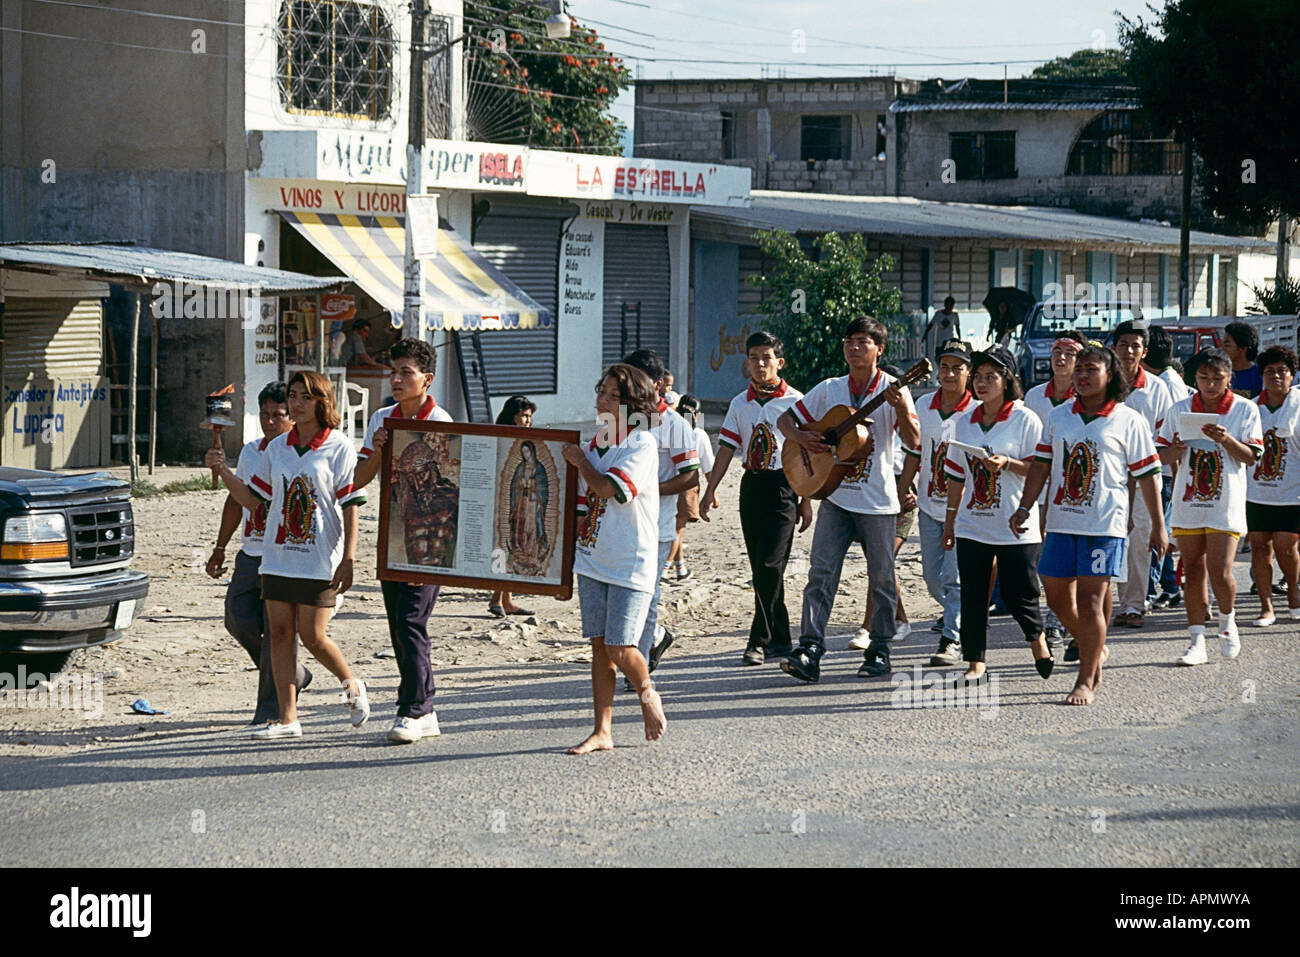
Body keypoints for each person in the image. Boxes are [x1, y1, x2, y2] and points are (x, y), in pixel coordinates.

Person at [206, 370, 370, 738]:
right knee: (279, 634)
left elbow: (351, 505)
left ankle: (352, 685)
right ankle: (287, 718)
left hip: (319, 557)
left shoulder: (340, 446)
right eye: (293, 395)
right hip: (277, 555)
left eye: (304, 397)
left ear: (322, 402)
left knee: (313, 636)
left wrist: (349, 558)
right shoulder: (276, 448)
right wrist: (223, 471)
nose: (296, 403)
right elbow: (253, 500)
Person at [1012, 346, 1166, 706]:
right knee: (1055, 595)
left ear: (1110, 375)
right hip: (1063, 521)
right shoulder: (1060, 415)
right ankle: (1093, 646)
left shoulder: (1129, 420)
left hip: (1105, 524)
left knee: (1091, 600)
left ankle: (1086, 679)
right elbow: (1041, 466)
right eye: (1078, 369)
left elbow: (1147, 476)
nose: (1081, 375)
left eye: (1090, 368)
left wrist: (1159, 526)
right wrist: (1025, 507)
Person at [777, 316, 920, 682]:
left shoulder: (894, 388)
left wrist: (901, 407)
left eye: (863, 342)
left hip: (878, 502)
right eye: (850, 341)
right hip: (836, 495)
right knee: (820, 574)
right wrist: (804, 439)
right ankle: (810, 648)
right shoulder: (830, 388)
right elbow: (785, 421)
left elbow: (915, 442)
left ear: (879, 349)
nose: (854, 348)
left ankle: (880, 648)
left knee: (882, 579)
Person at [350, 338, 453, 743]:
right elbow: (358, 479)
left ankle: (414, 709)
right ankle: (424, 705)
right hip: (393, 535)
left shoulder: (441, 423)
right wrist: (378, 451)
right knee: (399, 624)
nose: (396, 379)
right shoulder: (381, 419)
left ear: (427, 379)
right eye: (393, 371)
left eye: (405, 372)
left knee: (413, 619)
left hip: (432, 534)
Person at [561, 363, 667, 754]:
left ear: (633, 405)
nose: (602, 400)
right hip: (592, 558)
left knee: (621, 648)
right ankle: (602, 730)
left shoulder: (641, 444)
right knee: (599, 648)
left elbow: (610, 490)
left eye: (612, 396)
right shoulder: (595, 442)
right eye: (601, 392)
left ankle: (646, 693)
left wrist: (580, 462)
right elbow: (577, 505)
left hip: (630, 560)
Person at [942, 346, 1051, 684]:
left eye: (991, 376)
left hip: (1015, 523)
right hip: (973, 523)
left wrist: (1007, 463)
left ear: (1007, 380)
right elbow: (956, 476)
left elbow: (1037, 469)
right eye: (978, 376)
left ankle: (1038, 643)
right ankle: (976, 662)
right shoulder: (964, 422)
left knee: (1022, 595)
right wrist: (950, 523)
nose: (982, 382)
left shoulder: (1025, 419)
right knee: (973, 595)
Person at [204, 381, 310, 724]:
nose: (270, 421)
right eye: (264, 414)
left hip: (283, 553)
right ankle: (291, 671)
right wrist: (220, 547)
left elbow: (255, 499)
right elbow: (236, 501)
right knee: (238, 618)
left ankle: (270, 710)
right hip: (251, 552)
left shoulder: (293, 454)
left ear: (292, 418)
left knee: (276, 631)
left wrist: (223, 472)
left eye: (278, 415)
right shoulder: (252, 451)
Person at [702, 331, 811, 665]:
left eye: (767, 358)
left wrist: (806, 499)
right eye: (754, 358)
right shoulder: (740, 403)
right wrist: (711, 488)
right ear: (746, 363)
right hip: (752, 485)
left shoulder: (796, 401)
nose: (760, 365)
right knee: (762, 566)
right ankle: (781, 639)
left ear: (780, 362)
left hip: (784, 486)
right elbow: (727, 448)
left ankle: (758, 640)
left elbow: (806, 451)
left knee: (770, 564)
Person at [1157, 348, 1263, 666]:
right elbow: (1161, 456)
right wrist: (1176, 448)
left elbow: (1252, 457)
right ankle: (1196, 640)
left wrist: (1227, 440)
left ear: (1229, 377)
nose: (1210, 384)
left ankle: (1228, 624)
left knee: (1221, 569)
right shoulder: (1179, 409)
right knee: (1193, 569)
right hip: (1188, 500)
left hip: (1226, 501)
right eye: (1203, 377)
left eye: (1217, 378)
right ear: (1195, 379)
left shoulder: (1245, 409)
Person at [622, 350, 700, 680]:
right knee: (625, 596)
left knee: (647, 597)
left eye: (634, 380)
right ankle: (654, 638)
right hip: (621, 525)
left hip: (657, 527)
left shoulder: (676, 425)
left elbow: (691, 475)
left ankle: (636, 670)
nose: (628, 387)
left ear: (656, 383)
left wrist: (649, 489)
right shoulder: (620, 418)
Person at [897, 338, 973, 667]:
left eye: (958, 368)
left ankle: (952, 639)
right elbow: (915, 451)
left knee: (954, 577)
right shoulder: (924, 405)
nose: (950, 373)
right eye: (944, 367)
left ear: (969, 372)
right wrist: (903, 489)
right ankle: (963, 615)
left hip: (966, 509)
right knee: (932, 576)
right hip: (929, 504)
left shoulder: (976, 411)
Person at [1023, 331, 1088, 652]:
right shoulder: (1034, 397)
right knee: (1044, 557)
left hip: (1074, 490)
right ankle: (1057, 618)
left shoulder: (1087, 398)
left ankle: (1064, 622)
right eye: (1056, 351)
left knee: (1069, 557)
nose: (1061, 358)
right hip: (1037, 485)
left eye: (1069, 352)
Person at [1110, 320, 1174, 630]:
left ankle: (1133, 606)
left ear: (1144, 351)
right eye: (1123, 345)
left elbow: (1165, 435)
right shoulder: (1103, 380)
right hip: (1107, 475)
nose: (1129, 351)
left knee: (1138, 543)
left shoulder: (1157, 388)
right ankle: (1096, 604)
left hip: (1144, 476)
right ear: (1114, 347)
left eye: (1136, 346)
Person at [1245, 346, 1300, 626]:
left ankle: (1293, 594)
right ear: (1262, 375)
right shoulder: (1252, 409)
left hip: (1292, 493)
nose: (1276, 376)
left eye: (1282, 371)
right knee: (1259, 548)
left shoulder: (1299, 407)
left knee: (1286, 547)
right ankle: (1266, 606)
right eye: (1270, 371)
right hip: (1256, 493)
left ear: (1292, 375)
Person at [1143, 326, 1190, 610]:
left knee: (1154, 531)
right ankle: (1170, 588)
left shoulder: (1166, 384)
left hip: (1165, 470)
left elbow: (1174, 431)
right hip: (1161, 466)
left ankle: (1147, 591)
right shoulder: (1163, 378)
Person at [488, 394, 539, 619]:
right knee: (506, 545)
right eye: (523, 416)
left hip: (524, 505)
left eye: (529, 417)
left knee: (518, 545)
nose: (527, 421)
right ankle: (496, 598)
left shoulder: (526, 441)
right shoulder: (501, 439)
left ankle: (506, 599)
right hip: (504, 502)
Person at [665, 393, 713, 582]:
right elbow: (708, 467)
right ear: (698, 415)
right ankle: (664, 569)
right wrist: (712, 492)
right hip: (687, 487)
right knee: (677, 530)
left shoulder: (672, 428)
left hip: (668, 483)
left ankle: (680, 568)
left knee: (677, 528)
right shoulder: (699, 434)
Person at [1222, 321, 1263, 398]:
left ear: (1243, 348)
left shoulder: (1259, 376)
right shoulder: (1219, 373)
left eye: (1227, 345)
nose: (1222, 349)